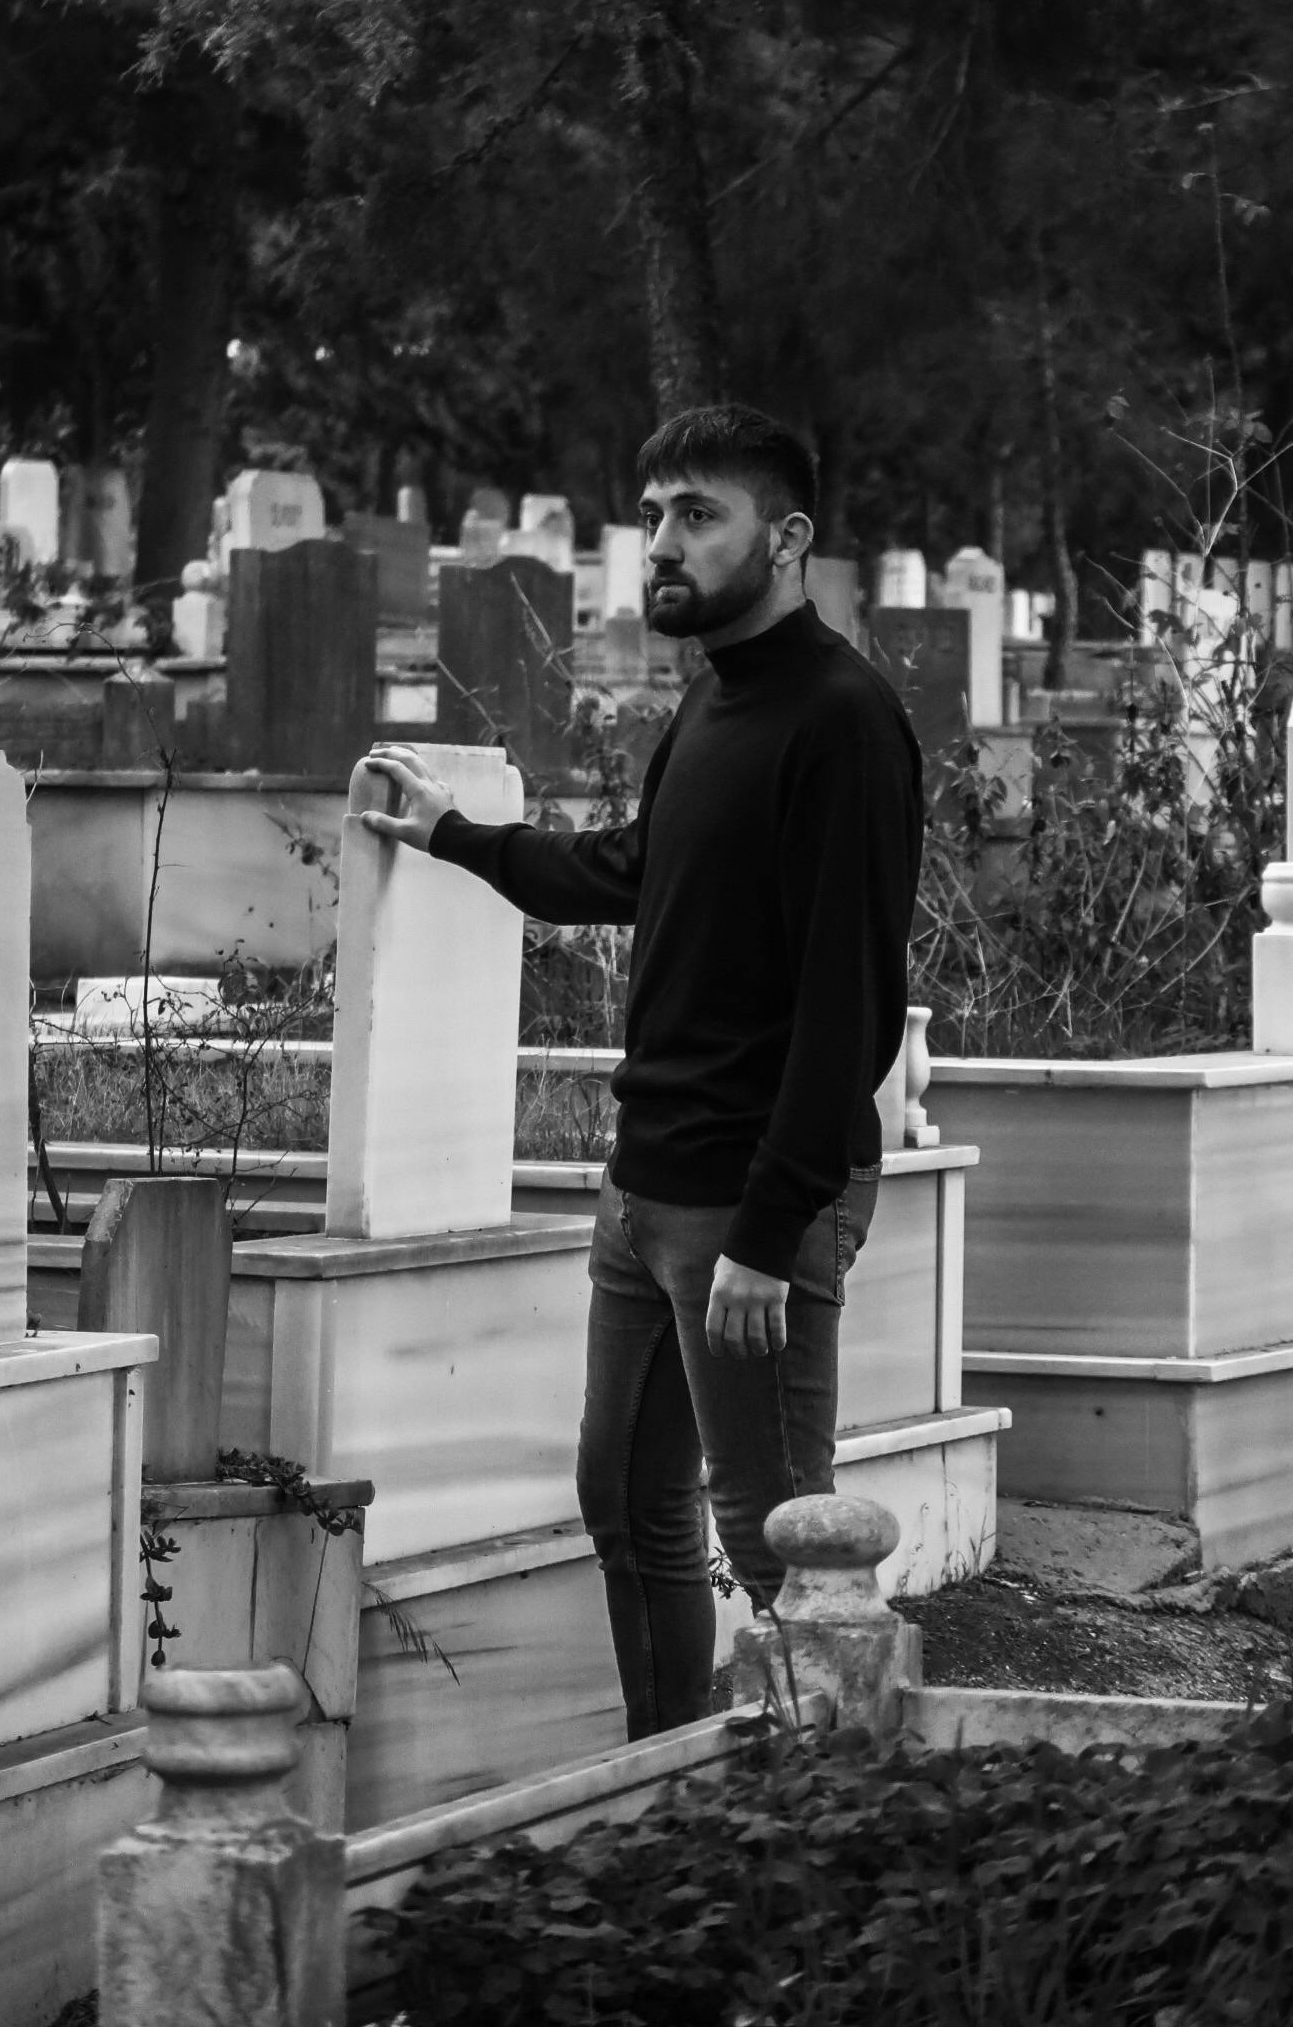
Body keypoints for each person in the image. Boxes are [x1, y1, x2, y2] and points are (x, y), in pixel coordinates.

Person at [362, 403, 924, 1737]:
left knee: (789, 1541)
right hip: (651, 1183)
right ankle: (669, 1782)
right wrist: (457, 836)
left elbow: (849, 1006)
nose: (662, 542)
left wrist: (769, 1236)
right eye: (657, 513)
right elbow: (633, 865)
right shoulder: (713, 700)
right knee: (627, 1501)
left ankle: (829, 1835)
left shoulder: (843, 724)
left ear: (786, 540)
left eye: (698, 515)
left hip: (754, 1205)